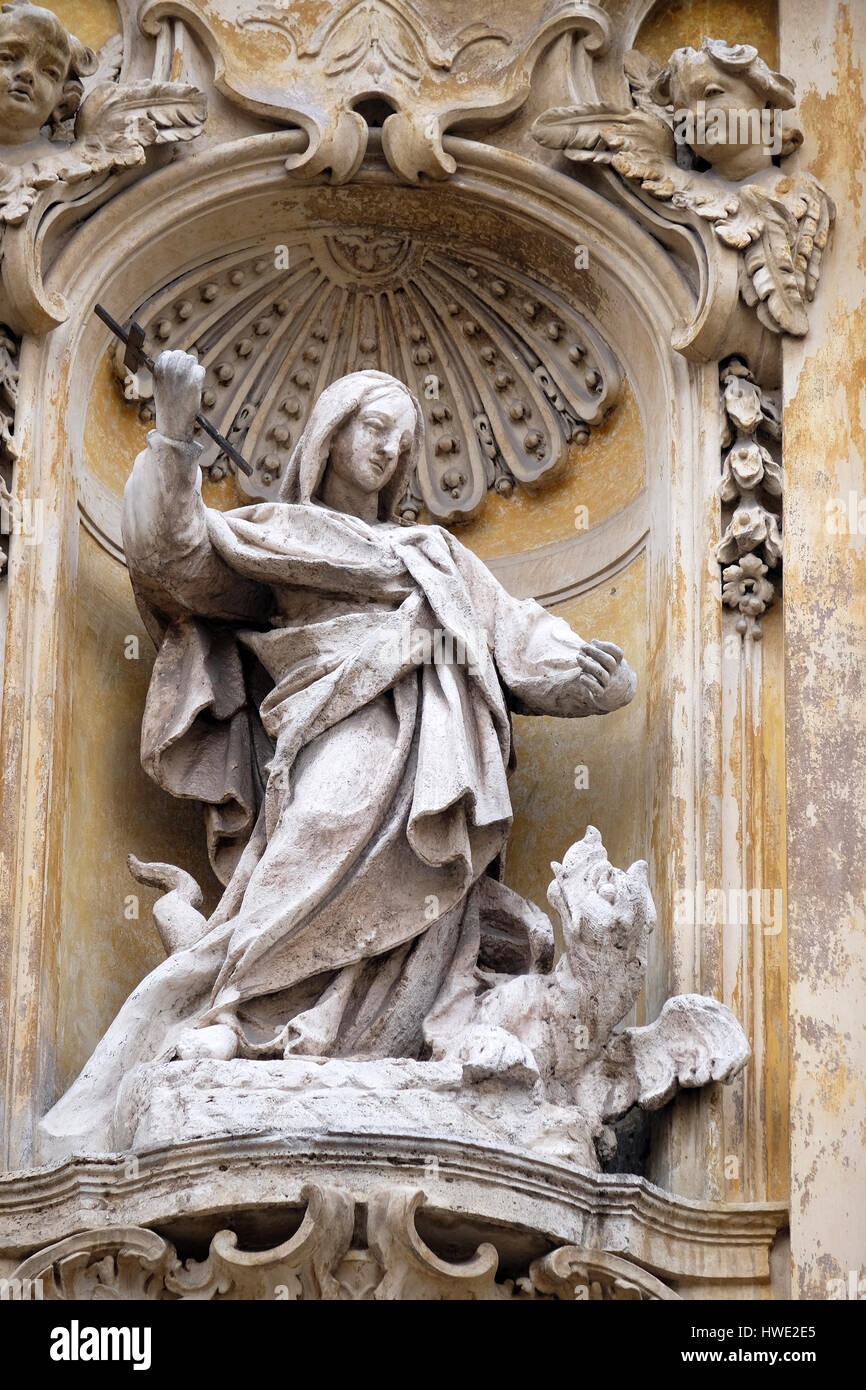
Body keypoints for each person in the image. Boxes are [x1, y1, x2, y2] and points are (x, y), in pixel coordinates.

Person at [38, 351, 636, 1157]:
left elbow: (517, 636)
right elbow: (174, 561)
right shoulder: (281, 533)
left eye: (404, 437)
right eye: (374, 427)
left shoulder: (434, 554)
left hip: (433, 751)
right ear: (331, 432)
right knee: (309, 846)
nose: (388, 448)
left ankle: (347, 1039)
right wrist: (175, 438)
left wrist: (586, 673)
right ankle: (237, 1019)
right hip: (333, 731)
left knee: (415, 892)